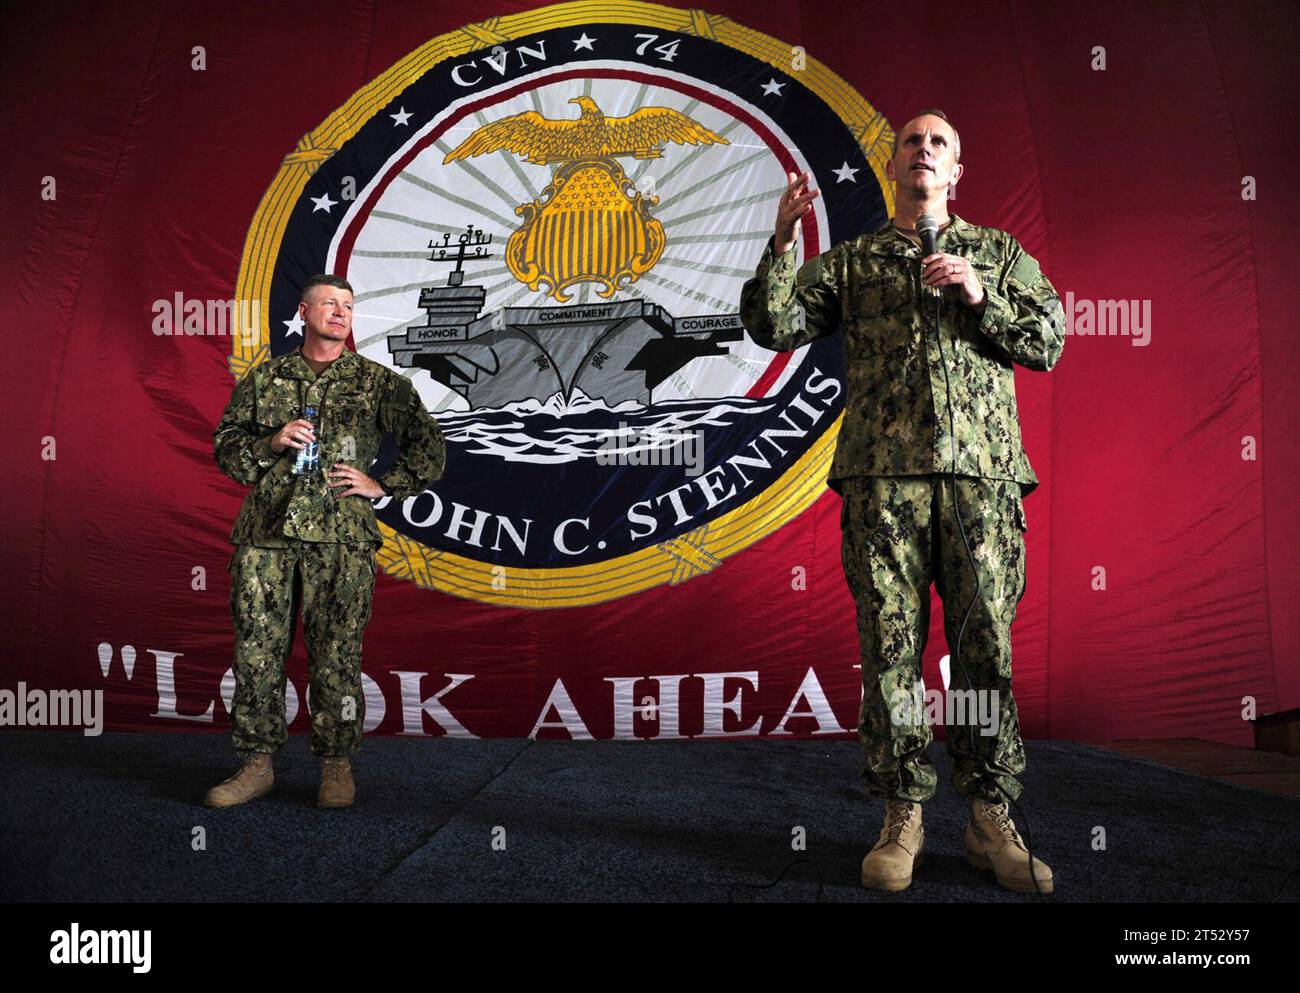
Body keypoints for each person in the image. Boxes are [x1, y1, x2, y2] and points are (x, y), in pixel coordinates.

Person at [739, 110, 1065, 893]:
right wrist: (782, 247)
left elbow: (1049, 339)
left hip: (981, 483)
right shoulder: (853, 263)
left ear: (957, 171)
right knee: (890, 650)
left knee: (983, 648)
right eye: (912, 143)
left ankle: (990, 812)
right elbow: (772, 323)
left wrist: (982, 294)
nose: (924, 151)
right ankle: (901, 813)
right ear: (894, 167)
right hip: (884, 482)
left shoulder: (997, 252)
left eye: (939, 144)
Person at [206, 274, 446, 809]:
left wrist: (383, 485)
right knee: (257, 651)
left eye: (348, 306)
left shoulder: (378, 383)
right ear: (304, 311)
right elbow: (226, 448)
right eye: (329, 304)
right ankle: (256, 765)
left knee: (337, 652)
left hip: (341, 537)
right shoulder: (265, 379)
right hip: (266, 537)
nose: (339, 313)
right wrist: (271, 440)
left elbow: (429, 447)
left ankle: (336, 768)